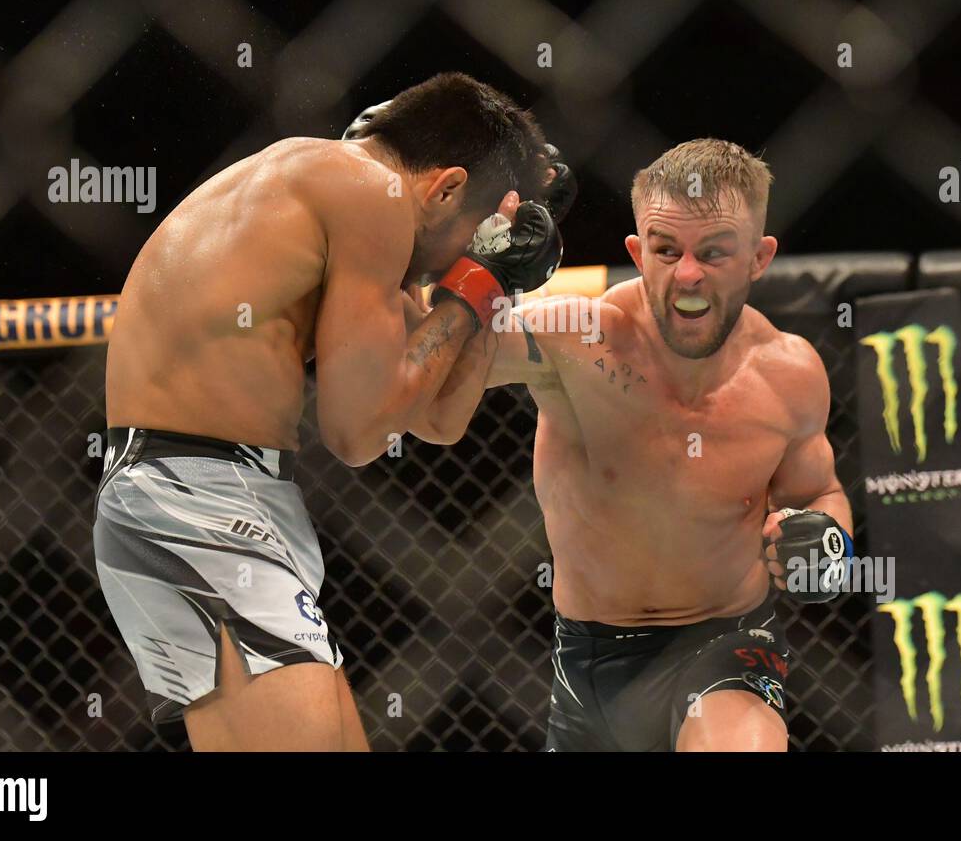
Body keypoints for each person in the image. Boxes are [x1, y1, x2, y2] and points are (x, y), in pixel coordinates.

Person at [94, 72, 565, 750]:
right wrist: (473, 286)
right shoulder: (363, 191)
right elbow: (358, 432)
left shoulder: (347, 199)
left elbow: (435, 416)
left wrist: (490, 286)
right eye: (469, 239)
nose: (448, 268)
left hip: (215, 494)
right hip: (194, 496)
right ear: (447, 187)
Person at [412, 138, 853, 751]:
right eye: (666, 250)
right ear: (637, 253)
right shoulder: (575, 338)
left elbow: (820, 492)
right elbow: (420, 368)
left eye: (715, 252)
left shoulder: (790, 374)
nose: (688, 274)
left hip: (726, 645)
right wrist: (476, 263)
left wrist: (832, 544)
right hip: (588, 658)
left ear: (759, 257)